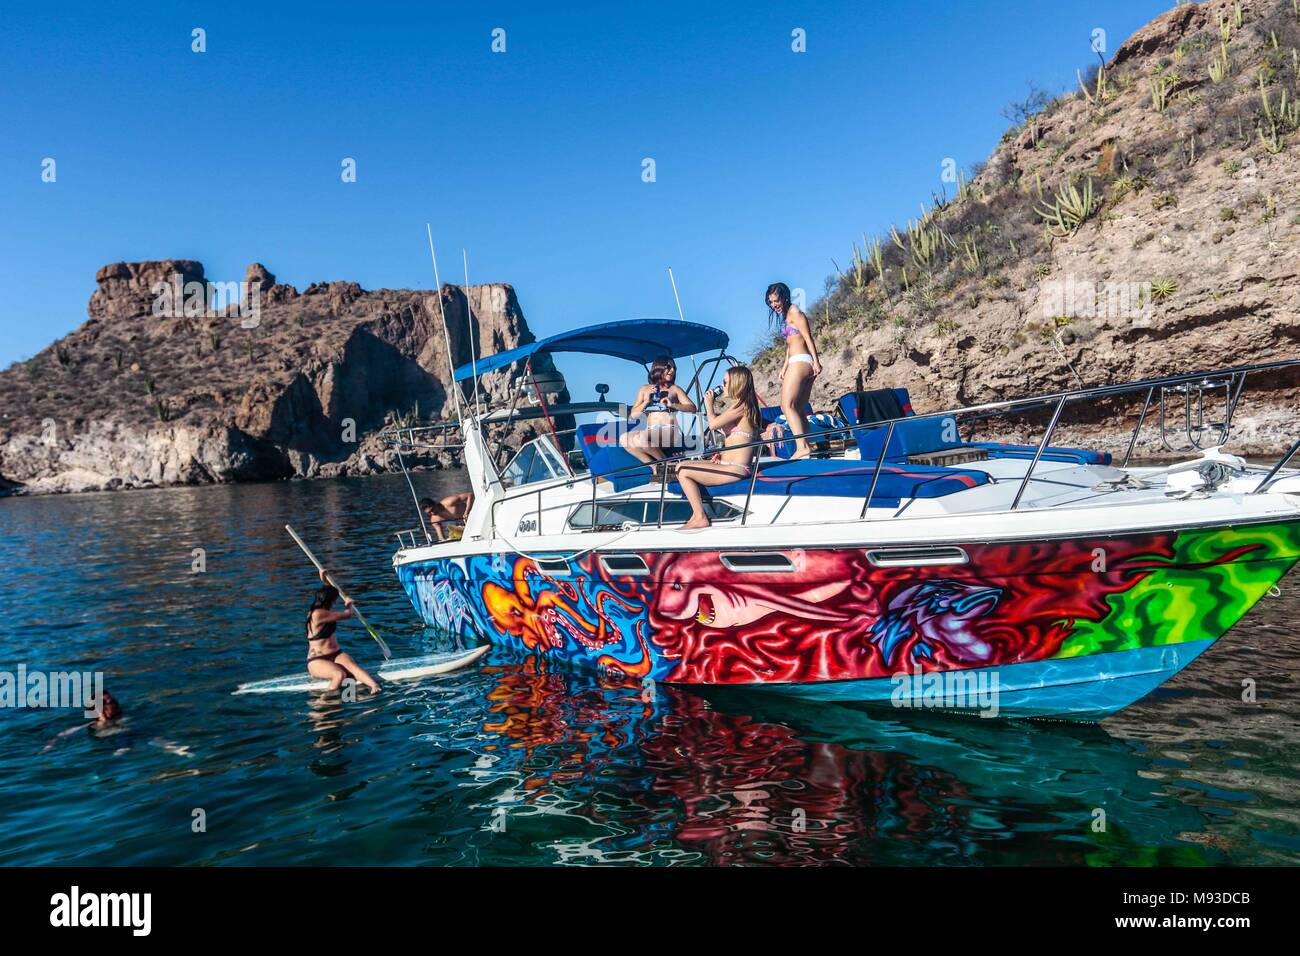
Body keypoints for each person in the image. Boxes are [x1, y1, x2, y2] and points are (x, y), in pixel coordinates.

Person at [675, 365, 763, 530]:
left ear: (736, 383)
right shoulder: (738, 406)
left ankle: (700, 517)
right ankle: (696, 515)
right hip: (727, 465)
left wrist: (709, 404)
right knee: (680, 466)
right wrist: (721, 455)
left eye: (725, 382)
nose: (722, 387)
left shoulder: (742, 407)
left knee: (683, 471)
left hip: (736, 469)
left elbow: (714, 424)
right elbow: (734, 439)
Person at [767, 282, 823, 460]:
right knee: (798, 407)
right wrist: (784, 366)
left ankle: (802, 447)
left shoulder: (795, 313)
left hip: (801, 361)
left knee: (786, 405)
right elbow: (790, 344)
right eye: (770, 302)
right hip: (794, 361)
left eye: (776, 300)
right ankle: (808, 445)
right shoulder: (786, 316)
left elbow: (808, 337)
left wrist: (816, 361)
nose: (774, 304)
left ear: (784, 297)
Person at [306, 570, 381, 692]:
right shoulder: (317, 614)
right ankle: (324, 702)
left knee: (352, 667)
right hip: (317, 660)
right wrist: (348, 605)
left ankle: (374, 686)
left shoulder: (326, 610)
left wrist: (325, 581)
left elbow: (329, 591)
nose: (335, 602)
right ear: (329, 600)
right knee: (339, 675)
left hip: (336, 654)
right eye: (334, 600)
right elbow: (347, 615)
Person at [620, 355, 697, 468]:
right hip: (650, 432)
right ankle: (655, 467)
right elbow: (633, 415)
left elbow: (692, 408)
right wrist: (646, 402)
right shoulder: (644, 389)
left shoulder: (674, 389)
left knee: (641, 438)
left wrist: (673, 405)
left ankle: (668, 464)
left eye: (674, 368)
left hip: (669, 432)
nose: (672, 370)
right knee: (624, 438)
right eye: (668, 367)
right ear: (658, 367)